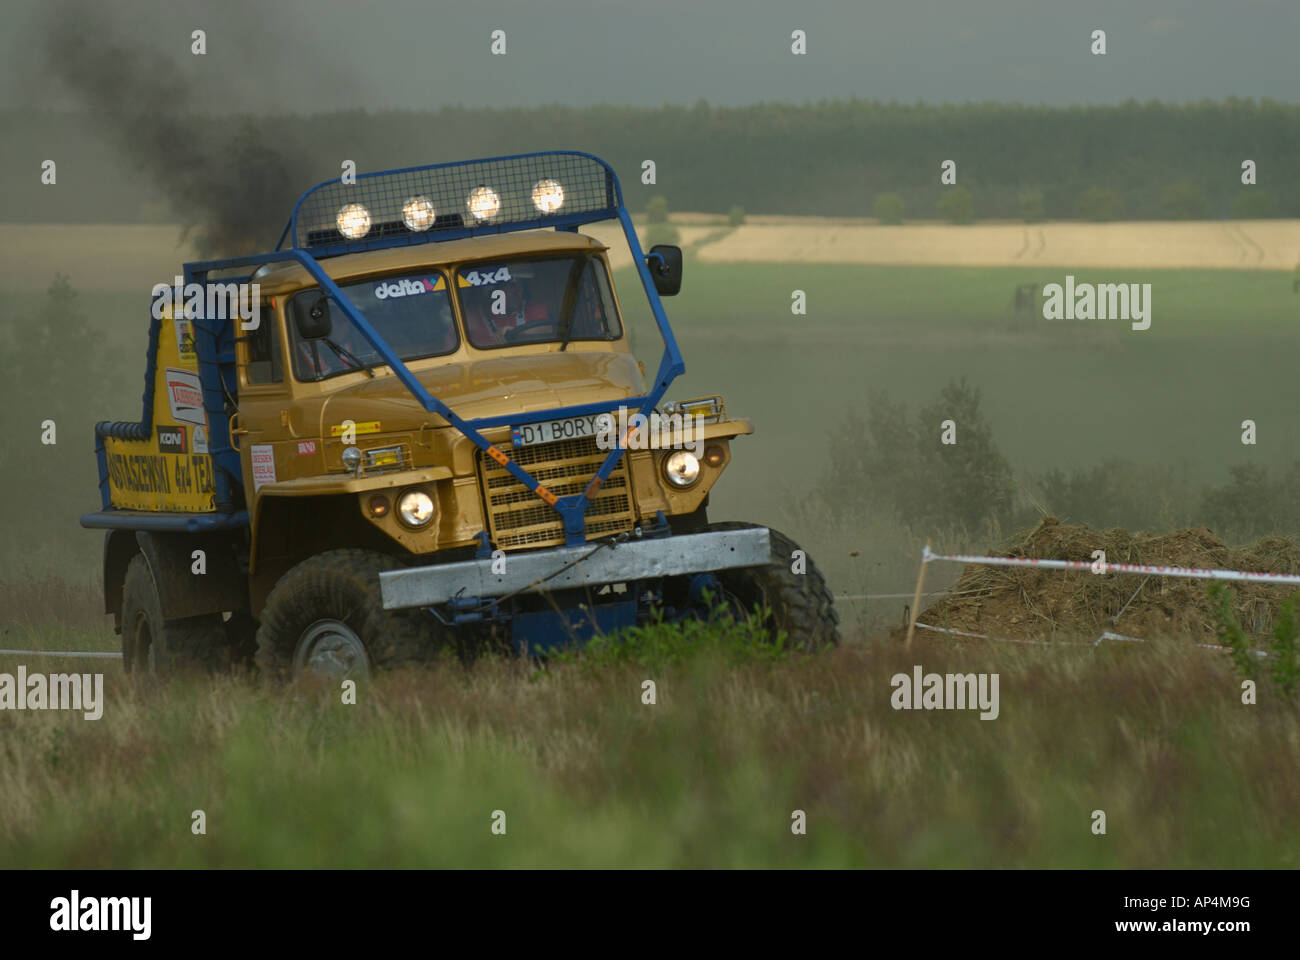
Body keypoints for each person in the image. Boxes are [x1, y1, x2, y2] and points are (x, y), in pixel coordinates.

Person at [463, 277, 552, 347]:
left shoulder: (533, 307)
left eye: (520, 286)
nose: (517, 292)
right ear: (495, 290)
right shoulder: (472, 316)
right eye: (511, 287)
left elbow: (547, 329)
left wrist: (515, 332)